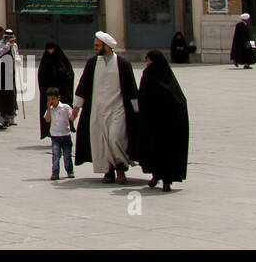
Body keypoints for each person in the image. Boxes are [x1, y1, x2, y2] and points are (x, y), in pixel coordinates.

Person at [73, 31, 139, 183]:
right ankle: (108, 171)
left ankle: (121, 168)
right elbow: (83, 85)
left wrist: (136, 109)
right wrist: (76, 108)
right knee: (101, 141)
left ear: (107, 46)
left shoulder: (122, 64)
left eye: (98, 45)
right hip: (98, 109)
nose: (95, 48)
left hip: (118, 109)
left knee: (116, 138)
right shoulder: (92, 63)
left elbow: (131, 88)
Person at [137, 50, 189, 192]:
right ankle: (160, 178)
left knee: (158, 150)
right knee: (163, 151)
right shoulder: (168, 78)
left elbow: (143, 96)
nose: (147, 63)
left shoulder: (148, 75)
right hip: (163, 125)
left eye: (148, 60)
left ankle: (162, 178)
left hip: (158, 125)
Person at [37, 41, 75, 139]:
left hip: (62, 93)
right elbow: (42, 77)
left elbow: (69, 74)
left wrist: (60, 74)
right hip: (50, 94)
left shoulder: (63, 60)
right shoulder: (45, 61)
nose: (50, 51)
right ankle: (50, 133)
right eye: (48, 49)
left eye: (52, 49)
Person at [42, 87, 76, 181]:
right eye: (49, 99)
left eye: (53, 99)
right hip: (55, 136)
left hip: (65, 135)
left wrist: (76, 111)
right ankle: (55, 172)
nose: (51, 101)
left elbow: (71, 117)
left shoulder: (65, 107)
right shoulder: (50, 110)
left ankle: (70, 170)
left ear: (58, 98)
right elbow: (47, 119)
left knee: (67, 155)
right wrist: (49, 108)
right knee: (56, 155)